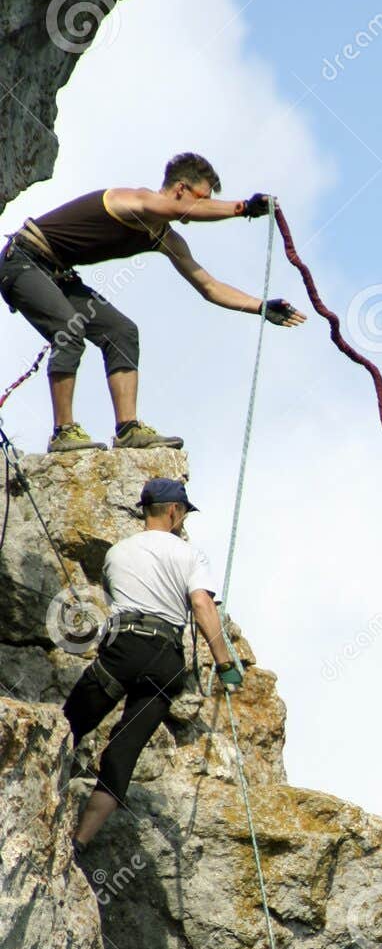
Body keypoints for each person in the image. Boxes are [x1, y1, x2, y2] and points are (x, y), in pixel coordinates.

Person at [0, 153, 306, 454]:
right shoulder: (135, 200)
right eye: (203, 198)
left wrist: (261, 306)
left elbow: (209, 287)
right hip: (22, 261)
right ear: (180, 189)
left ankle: (128, 429)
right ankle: (63, 432)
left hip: (56, 275)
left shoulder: (165, 238)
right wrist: (243, 208)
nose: (204, 206)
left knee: (121, 331)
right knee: (69, 329)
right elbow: (172, 208)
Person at [64, 477, 241, 854]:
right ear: (175, 512)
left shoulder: (117, 553)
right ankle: (79, 843)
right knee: (122, 753)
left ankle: (39, 780)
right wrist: (225, 662)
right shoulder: (188, 554)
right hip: (164, 661)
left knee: (69, 725)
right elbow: (201, 606)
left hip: (122, 648)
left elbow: (116, 602)